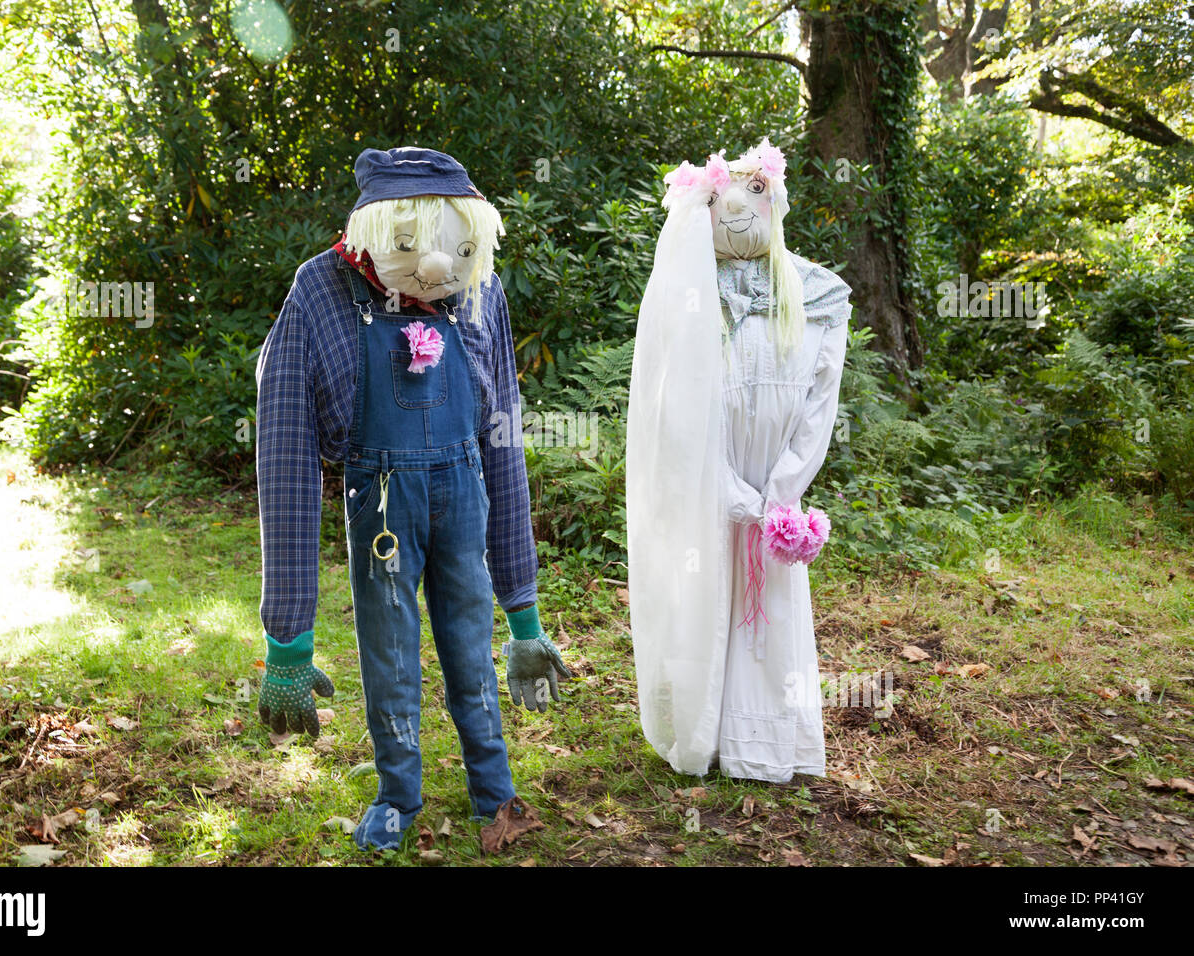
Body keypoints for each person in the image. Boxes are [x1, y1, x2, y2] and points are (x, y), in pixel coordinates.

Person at [254, 146, 570, 851]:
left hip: (466, 494)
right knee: (389, 658)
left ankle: (496, 790)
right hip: (383, 512)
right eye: (409, 245)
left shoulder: (480, 291)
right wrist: (287, 639)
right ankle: (399, 794)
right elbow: (285, 462)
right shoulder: (320, 291)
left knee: (469, 644)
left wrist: (523, 614)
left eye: (454, 248)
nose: (434, 268)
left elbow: (505, 442)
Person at [627, 141, 851, 782]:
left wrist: (779, 493)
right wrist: (720, 487)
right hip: (710, 483)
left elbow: (819, 402)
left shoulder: (818, 295)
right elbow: (673, 402)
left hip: (775, 484)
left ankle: (769, 739)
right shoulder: (684, 293)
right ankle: (707, 731)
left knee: (770, 607)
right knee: (704, 593)